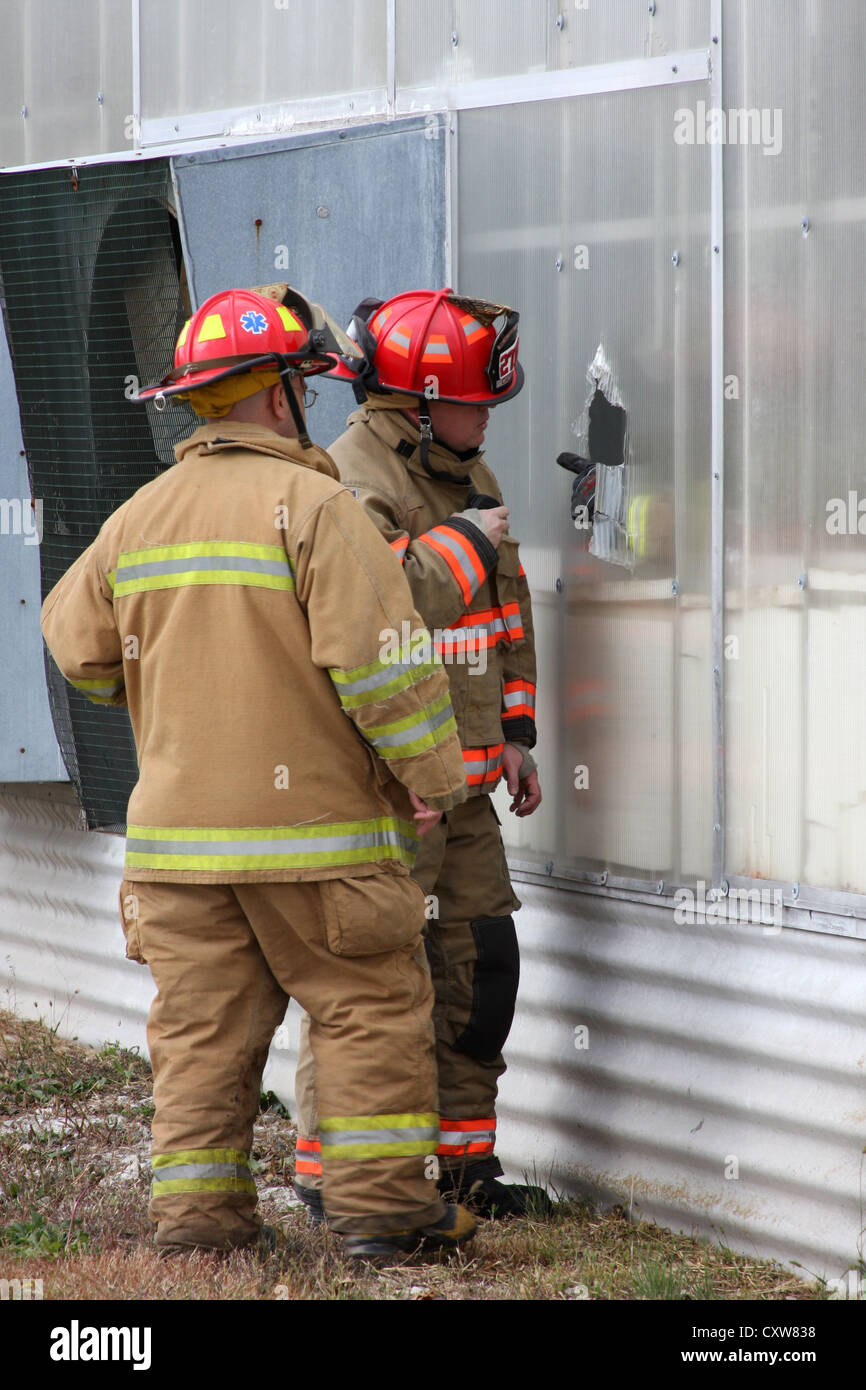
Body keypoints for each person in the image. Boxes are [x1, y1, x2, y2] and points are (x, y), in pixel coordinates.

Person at [40, 285, 477, 1262]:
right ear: (279, 394)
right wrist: (433, 777)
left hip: (176, 853)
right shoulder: (316, 507)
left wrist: (168, 696)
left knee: (198, 1036)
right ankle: (379, 1217)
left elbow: (75, 646)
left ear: (200, 400)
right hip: (316, 842)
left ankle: (197, 1225)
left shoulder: (139, 517)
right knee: (366, 1009)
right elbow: (382, 666)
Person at [293, 288, 549, 1220]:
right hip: (395, 794)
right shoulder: (347, 481)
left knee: (479, 969)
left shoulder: (464, 474)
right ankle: (337, 1179)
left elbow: (506, 619)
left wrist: (516, 736)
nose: (485, 420)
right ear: (416, 401)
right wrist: (464, 546)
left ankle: (465, 1171)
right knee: (378, 988)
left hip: (472, 788)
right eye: (475, 401)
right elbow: (381, 620)